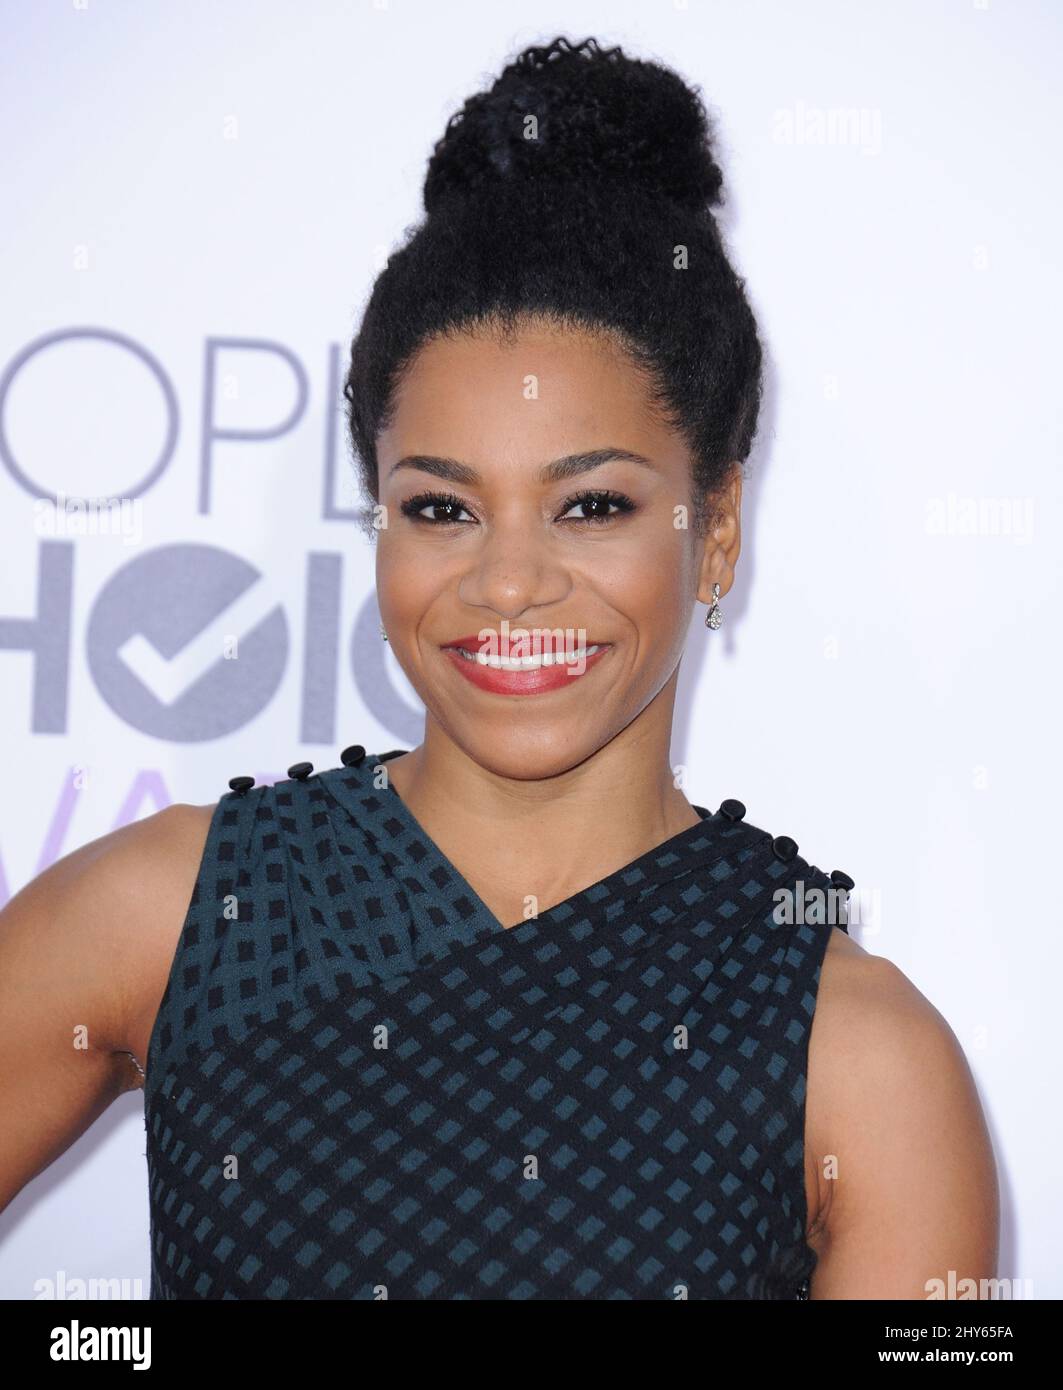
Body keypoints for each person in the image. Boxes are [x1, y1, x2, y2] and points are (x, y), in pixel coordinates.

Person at [0, 35, 997, 1300]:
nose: (507, 582)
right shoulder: (179, 914)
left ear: (718, 528)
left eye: (590, 507)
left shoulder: (859, 1052)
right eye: (440, 509)